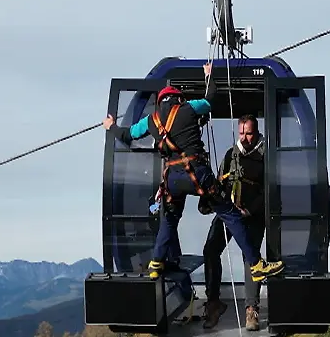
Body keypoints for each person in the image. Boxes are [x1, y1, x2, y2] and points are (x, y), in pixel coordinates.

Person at [102, 61, 284, 287]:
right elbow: (210, 98)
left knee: (169, 220)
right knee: (229, 214)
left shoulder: (152, 120)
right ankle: (257, 266)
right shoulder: (188, 107)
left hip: (173, 179)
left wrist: (111, 127)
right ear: (178, 98)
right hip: (197, 174)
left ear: (160, 102)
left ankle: (156, 264)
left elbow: (128, 135)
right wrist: (209, 75)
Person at [201, 114, 266, 331]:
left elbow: (269, 191)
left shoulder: (266, 156)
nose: (245, 138)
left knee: (251, 257)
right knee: (210, 250)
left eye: (249, 133)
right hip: (229, 214)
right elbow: (220, 182)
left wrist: (250, 210)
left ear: (256, 133)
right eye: (241, 133)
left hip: (253, 216)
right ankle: (213, 303)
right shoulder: (231, 155)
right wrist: (209, 202)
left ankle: (251, 310)